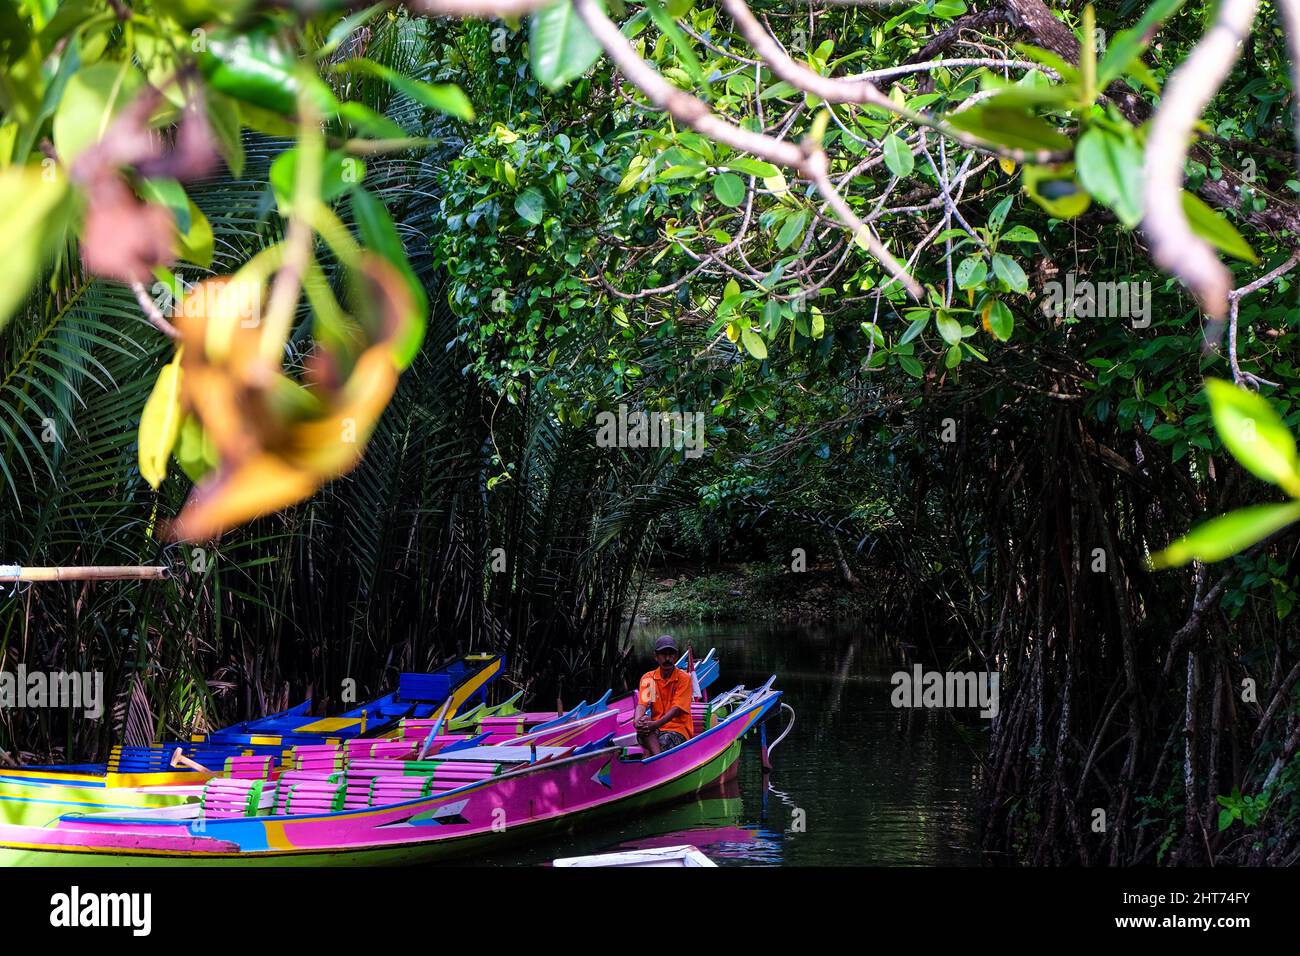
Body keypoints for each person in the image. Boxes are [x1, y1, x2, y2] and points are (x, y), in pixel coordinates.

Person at [634, 635, 695, 755]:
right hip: (656, 728)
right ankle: (656, 757)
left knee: (664, 740)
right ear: (656, 656)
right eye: (663, 654)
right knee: (643, 726)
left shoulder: (684, 679)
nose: (667, 658)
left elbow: (676, 709)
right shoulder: (649, 678)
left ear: (676, 656)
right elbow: (642, 705)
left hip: (678, 730)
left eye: (671, 654)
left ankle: (656, 759)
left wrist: (655, 724)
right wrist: (637, 721)